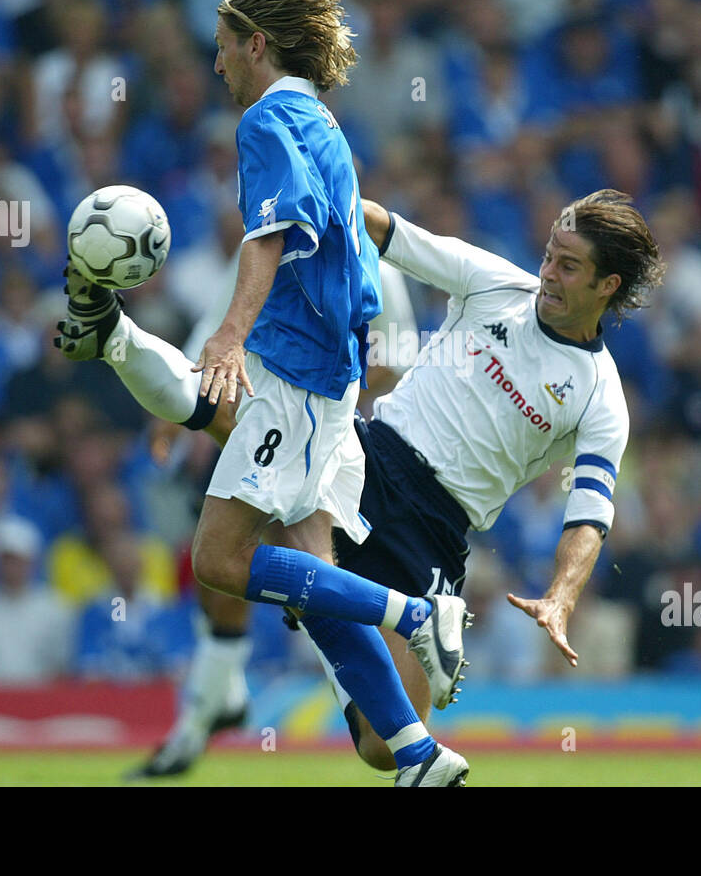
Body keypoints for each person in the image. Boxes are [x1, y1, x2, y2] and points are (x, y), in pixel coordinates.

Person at [55, 0, 468, 786]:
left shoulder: (268, 118)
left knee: (217, 559)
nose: (214, 65)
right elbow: (333, 253)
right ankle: (418, 754)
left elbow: (274, 232)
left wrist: (232, 332)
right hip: (321, 376)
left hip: (297, 375)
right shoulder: (321, 123)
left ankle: (416, 613)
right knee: (312, 578)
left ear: (257, 43)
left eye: (221, 46)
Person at [113, 189, 662, 776]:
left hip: (436, 529)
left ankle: (350, 622)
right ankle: (112, 334)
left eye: (568, 266)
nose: (547, 273)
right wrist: (317, 189)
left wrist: (561, 596)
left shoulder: (601, 396)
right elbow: (388, 231)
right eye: (550, 254)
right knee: (255, 467)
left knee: (382, 744)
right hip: (368, 455)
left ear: (608, 286)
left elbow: (591, 513)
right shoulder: (498, 283)